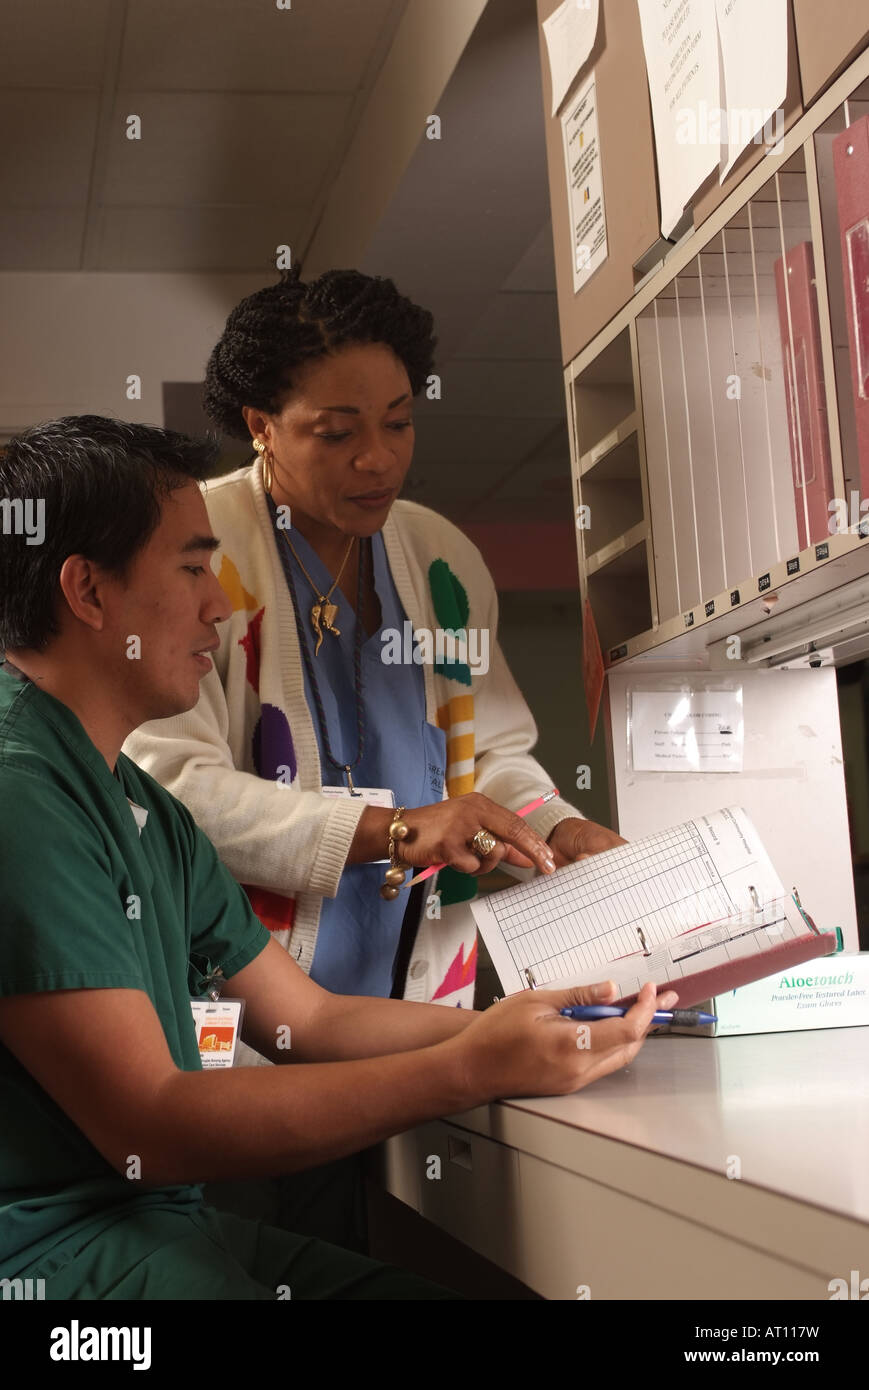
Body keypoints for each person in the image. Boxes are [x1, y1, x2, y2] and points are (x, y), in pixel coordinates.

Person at [0, 416, 675, 1300]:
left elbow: (311, 1022)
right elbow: (152, 1122)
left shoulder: (140, 807)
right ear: (88, 591)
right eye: (193, 569)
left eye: (401, 421)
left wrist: (539, 1022)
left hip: (152, 1223)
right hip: (49, 1257)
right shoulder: (23, 794)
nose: (220, 605)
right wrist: (468, 1067)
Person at [125, 266, 625, 1020]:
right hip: (238, 1003)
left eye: (397, 423)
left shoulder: (441, 560)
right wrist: (389, 831)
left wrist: (554, 827)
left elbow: (491, 755)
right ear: (261, 424)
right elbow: (171, 790)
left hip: (423, 996)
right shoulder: (200, 550)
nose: (378, 458)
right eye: (336, 432)